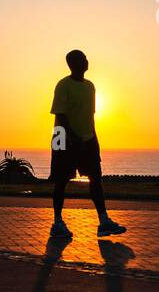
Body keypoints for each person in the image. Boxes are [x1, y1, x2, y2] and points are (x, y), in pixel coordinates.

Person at [48, 50, 125, 238]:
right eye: (82, 59)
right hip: (62, 138)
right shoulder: (63, 85)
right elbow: (60, 115)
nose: (86, 61)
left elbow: (90, 116)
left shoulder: (90, 87)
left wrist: (94, 139)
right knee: (61, 181)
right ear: (73, 64)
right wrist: (73, 139)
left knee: (96, 179)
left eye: (86, 58)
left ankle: (104, 221)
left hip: (87, 138)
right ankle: (57, 222)